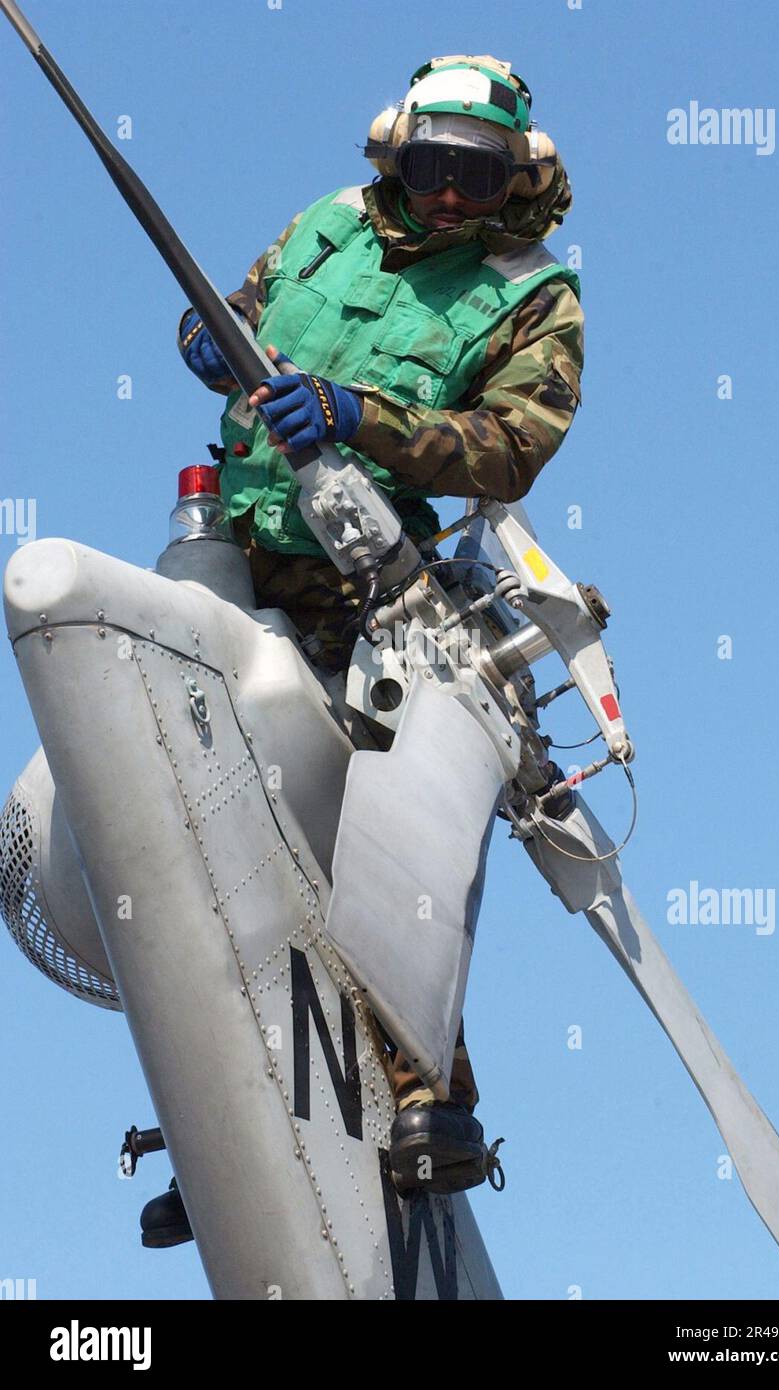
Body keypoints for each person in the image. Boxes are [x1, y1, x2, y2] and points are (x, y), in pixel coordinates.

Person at [175, 53, 584, 1200]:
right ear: (392, 151)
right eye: (428, 166)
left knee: (367, 836)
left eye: (475, 173)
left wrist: (362, 414)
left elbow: (508, 446)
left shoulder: (531, 293)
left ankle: (426, 1095)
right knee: (195, 812)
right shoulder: (324, 225)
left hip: (368, 589)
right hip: (229, 547)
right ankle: (236, 1103)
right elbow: (230, 312)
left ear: (513, 176)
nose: (448, 193)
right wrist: (204, 338)